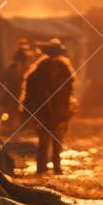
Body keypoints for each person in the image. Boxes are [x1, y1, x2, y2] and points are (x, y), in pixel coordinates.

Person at [20, 39, 75, 174]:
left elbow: (66, 95)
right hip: (47, 114)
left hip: (50, 114)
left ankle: (49, 169)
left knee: (48, 143)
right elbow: (32, 94)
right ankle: (49, 169)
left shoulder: (56, 70)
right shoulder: (46, 71)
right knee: (48, 143)